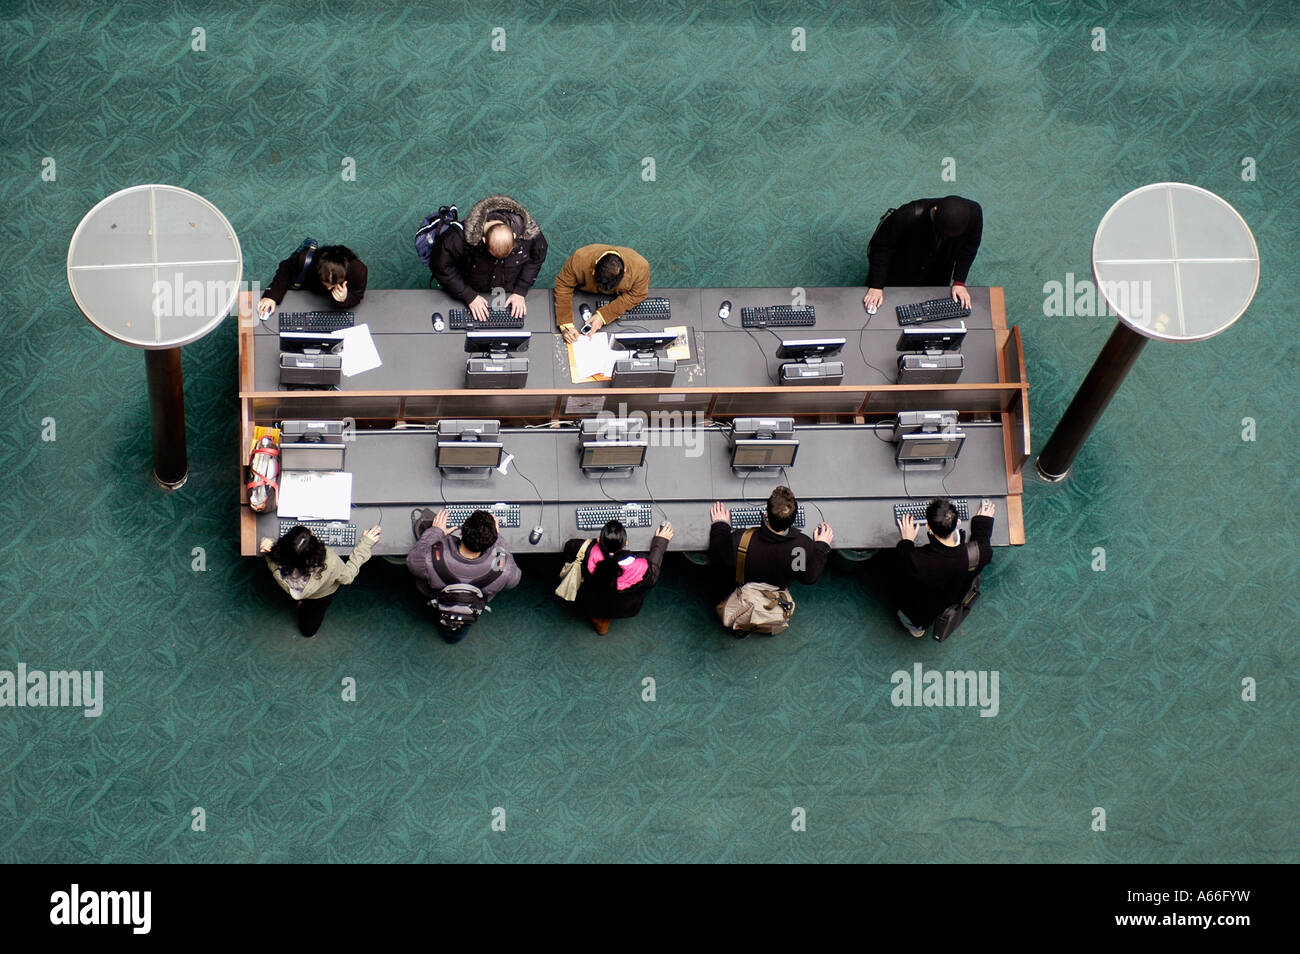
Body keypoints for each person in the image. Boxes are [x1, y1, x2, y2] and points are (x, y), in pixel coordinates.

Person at [406, 507, 522, 643]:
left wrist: (436, 531)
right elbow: (514, 580)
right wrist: (498, 541)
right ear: (491, 543)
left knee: (444, 619)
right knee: (462, 625)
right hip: (471, 606)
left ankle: (448, 634)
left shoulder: (429, 560)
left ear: (461, 532)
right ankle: (455, 637)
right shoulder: (504, 569)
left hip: (440, 598)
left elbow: (412, 561)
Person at [886, 497, 995, 637]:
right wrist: (983, 522)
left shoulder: (919, 561)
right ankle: (918, 629)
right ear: (958, 522)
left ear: (928, 527)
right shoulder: (980, 554)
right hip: (949, 598)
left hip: (920, 609)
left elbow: (902, 562)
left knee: (910, 617)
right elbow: (983, 543)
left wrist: (907, 541)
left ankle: (916, 629)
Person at [430, 194, 548, 320]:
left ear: (514, 236)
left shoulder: (529, 234)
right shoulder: (459, 238)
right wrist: (468, 295)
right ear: (484, 240)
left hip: (508, 292)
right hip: (472, 287)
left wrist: (520, 291)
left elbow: (537, 257)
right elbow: (440, 266)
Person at [862, 196, 982, 312]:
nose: (945, 237)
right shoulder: (906, 215)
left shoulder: (974, 214)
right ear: (935, 210)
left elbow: (969, 249)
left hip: (939, 269)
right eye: (942, 233)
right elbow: (881, 249)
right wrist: (876, 286)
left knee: (931, 312)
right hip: (902, 264)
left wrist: (959, 282)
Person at [260, 523, 381, 637]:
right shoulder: (330, 562)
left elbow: (273, 551)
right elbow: (347, 578)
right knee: (309, 629)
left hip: (299, 592)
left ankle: (301, 604)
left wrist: (269, 542)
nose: (312, 531)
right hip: (322, 596)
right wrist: (364, 545)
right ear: (315, 553)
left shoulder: (276, 562)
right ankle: (304, 614)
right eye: (314, 537)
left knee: (308, 625)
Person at [708, 486, 833, 589]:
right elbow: (808, 578)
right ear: (793, 519)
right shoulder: (800, 548)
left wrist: (720, 525)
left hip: (746, 590)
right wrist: (822, 545)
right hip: (775, 592)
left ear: (766, 515)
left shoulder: (742, 540)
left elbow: (719, 560)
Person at [561, 518, 672, 634]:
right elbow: (652, 577)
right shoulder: (640, 566)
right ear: (626, 543)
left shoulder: (588, 553)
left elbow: (569, 546)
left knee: (598, 616)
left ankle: (601, 628)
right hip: (625, 609)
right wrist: (660, 542)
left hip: (594, 605)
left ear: (600, 540)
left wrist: (593, 542)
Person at [553, 245, 651, 343]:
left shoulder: (640, 268)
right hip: (581, 295)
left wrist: (603, 315)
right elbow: (563, 286)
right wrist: (566, 325)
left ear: (624, 270)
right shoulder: (579, 259)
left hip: (613, 302)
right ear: (595, 266)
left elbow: (638, 294)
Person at [257, 243, 368, 318]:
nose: (329, 288)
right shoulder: (305, 260)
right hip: (306, 292)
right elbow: (285, 269)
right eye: (327, 283)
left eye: (332, 285)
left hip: (333, 303)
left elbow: (357, 295)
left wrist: (345, 299)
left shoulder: (358, 271)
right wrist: (271, 296)